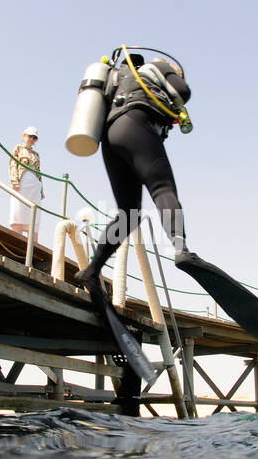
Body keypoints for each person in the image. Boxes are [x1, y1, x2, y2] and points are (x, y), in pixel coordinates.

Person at [75, 55, 193, 294]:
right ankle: (182, 250)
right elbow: (182, 91)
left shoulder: (118, 78)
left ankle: (91, 271)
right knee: (162, 188)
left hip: (110, 138)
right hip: (136, 124)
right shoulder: (157, 67)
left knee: (129, 213)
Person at [8, 126, 44, 235]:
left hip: (34, 185)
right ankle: (17, 242)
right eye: (30, 136)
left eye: (35, 138)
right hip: (22, 182)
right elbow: (13, 164)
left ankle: (33, 248)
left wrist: (41, 190)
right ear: (24, 136)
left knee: (34, 216)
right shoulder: (18, 148)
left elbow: (39, 172)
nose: (32, 139)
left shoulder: (36, 155)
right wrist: (14, 181)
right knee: (18, 211)